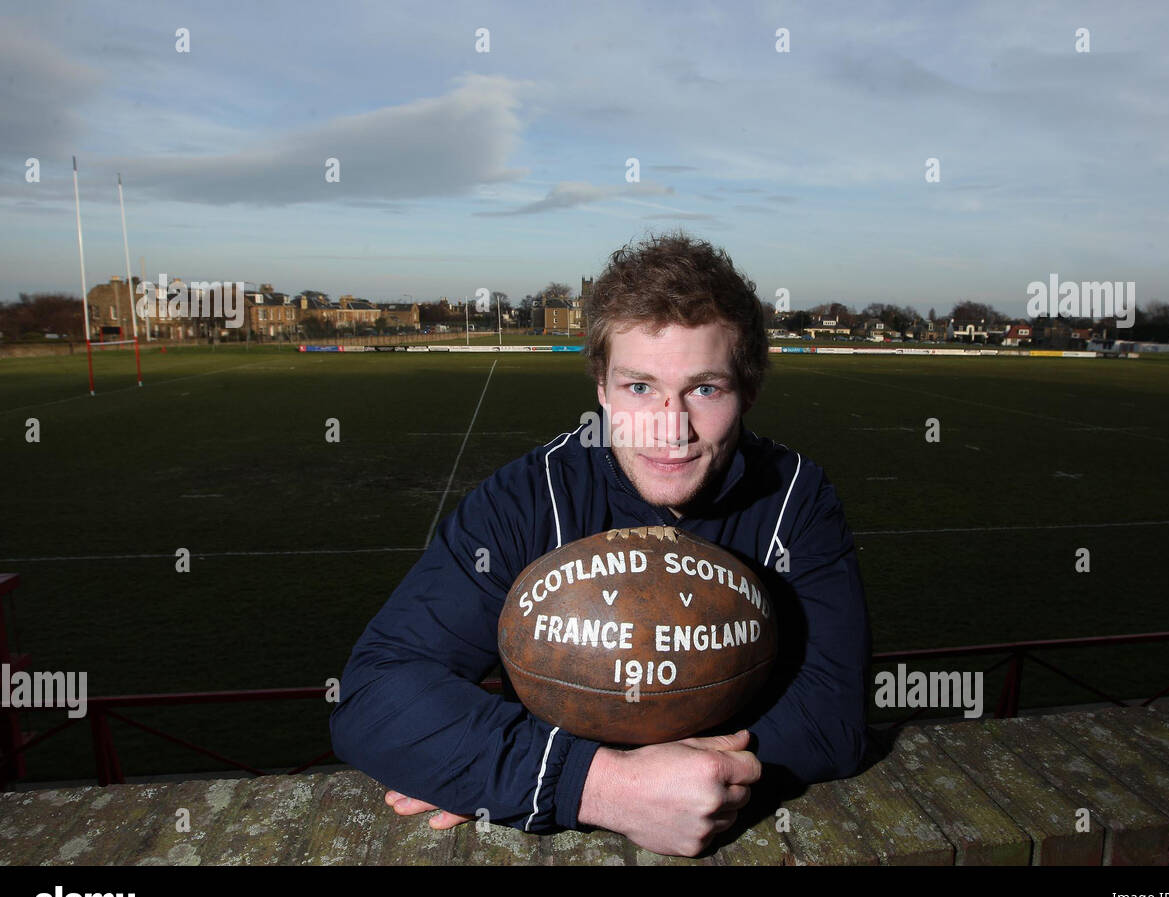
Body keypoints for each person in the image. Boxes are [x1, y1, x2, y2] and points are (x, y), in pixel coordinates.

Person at [329, 230, 872, 857]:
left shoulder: (795, 497)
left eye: (704, 388)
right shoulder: (529, 498)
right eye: (639, 388)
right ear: (601, 389)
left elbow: (835, 720)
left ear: (747, 391)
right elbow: (373, 692)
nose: (671, 429)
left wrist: (482, 766)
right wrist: (596, 786)